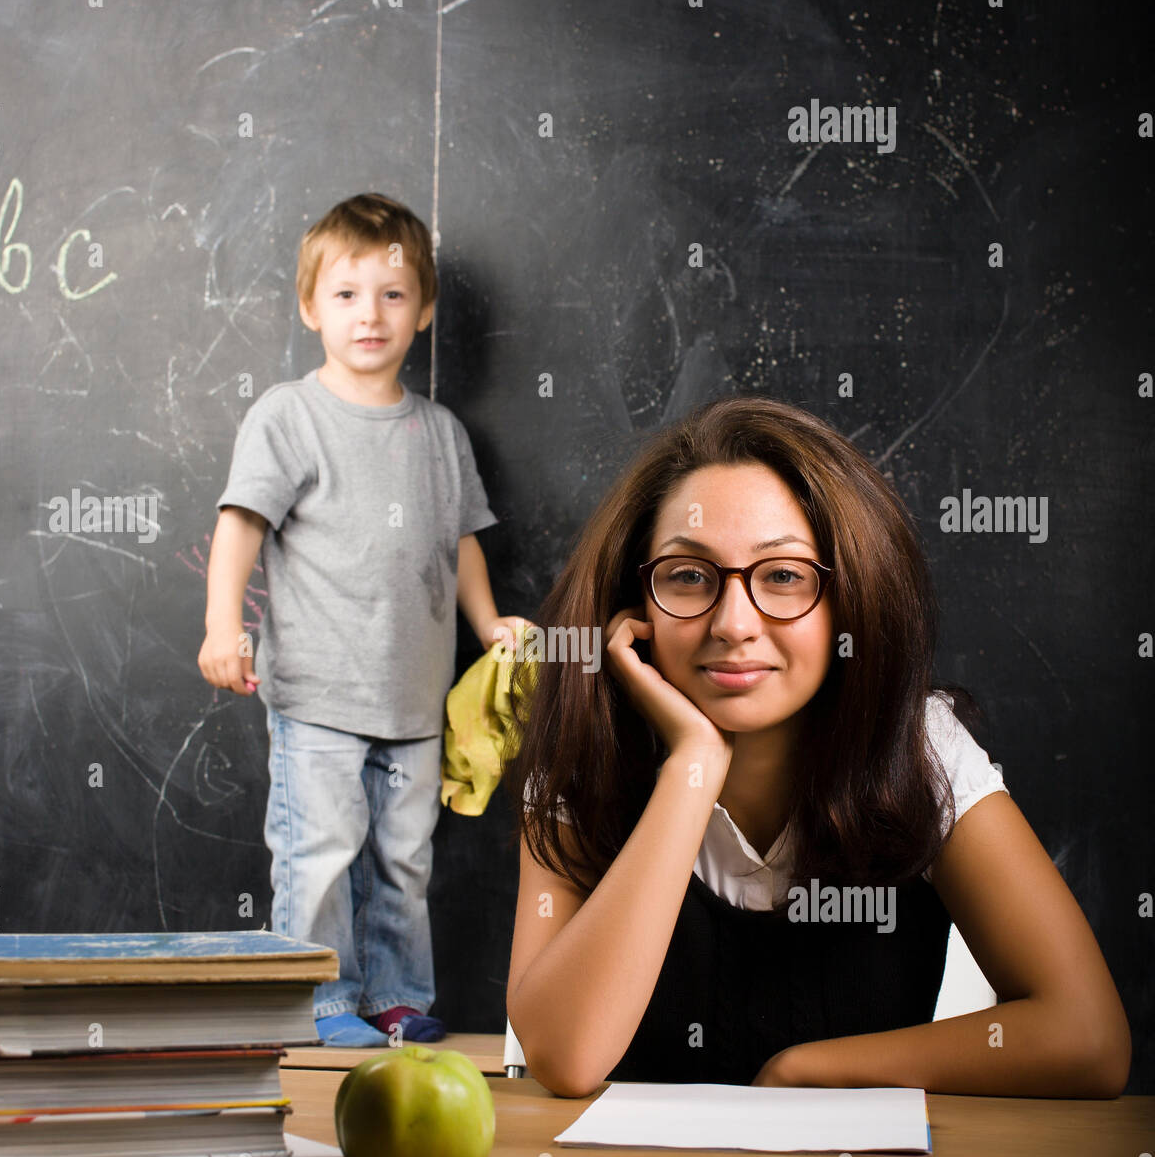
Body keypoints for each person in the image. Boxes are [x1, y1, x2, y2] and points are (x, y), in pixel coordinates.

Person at [504, 396, 1131, 1098]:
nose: (734, 623)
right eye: (687, 576)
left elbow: (1087, 1038)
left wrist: (808, 1068)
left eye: (782, 576)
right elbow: (565, 1057)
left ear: (849, 599)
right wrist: (692, 767)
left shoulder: (914, 747)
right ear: (636, 604)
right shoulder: (583, 760)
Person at [199, 193, 529, 1047]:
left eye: (391, 294)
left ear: (422, 311)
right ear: (310, 307)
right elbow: (240, 525)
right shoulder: (289, 416)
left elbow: (459, 541)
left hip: (414, 700)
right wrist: (221, 626)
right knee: (319, 855)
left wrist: (489, 623)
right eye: (345, 294)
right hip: (317, 691)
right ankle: (318, 1002)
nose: (369, 315)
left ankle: (395, 995)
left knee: (403, 862)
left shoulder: (439, 433)